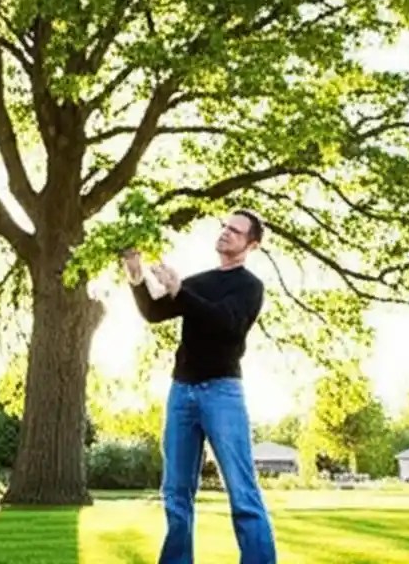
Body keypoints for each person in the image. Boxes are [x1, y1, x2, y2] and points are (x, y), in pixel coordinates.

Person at [121, 209, 277, 564]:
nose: (225, 233)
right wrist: (136, 275)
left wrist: (181, 292)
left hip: (222, 392)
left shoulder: (249, 287)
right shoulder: (199, 281)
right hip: (182, 393)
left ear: (250, 244)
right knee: (175, 493)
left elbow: (227, 325)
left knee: (242, 491)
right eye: (224, 227)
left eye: (235, 232)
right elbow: (154, 312)